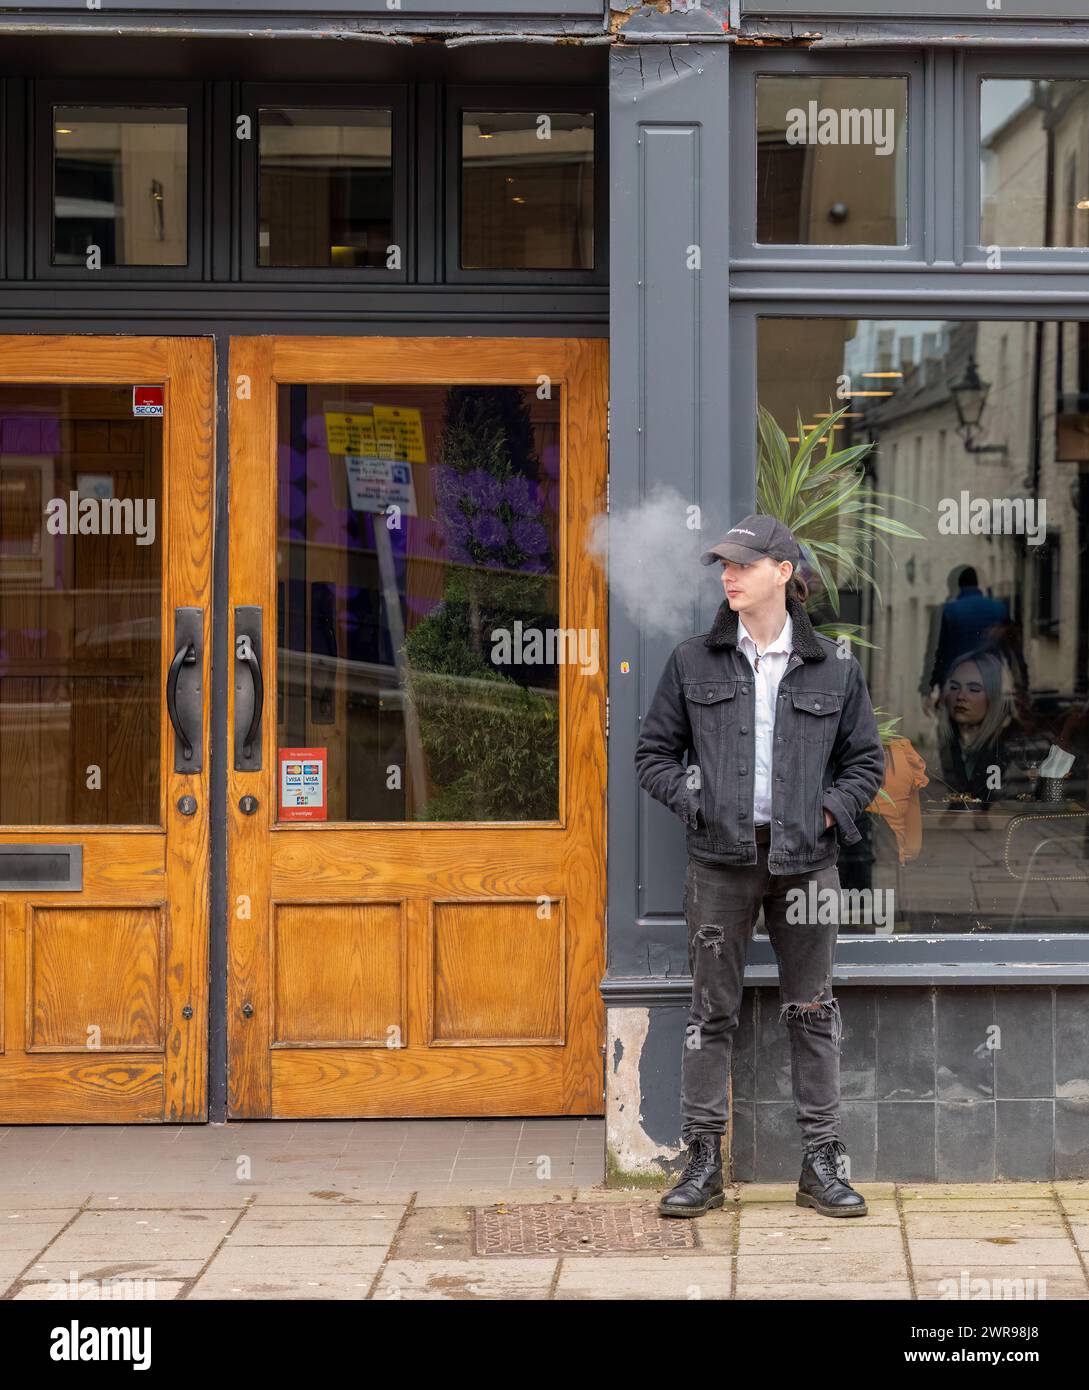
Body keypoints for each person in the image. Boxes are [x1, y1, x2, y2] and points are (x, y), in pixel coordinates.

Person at [634, 514, 885, 1219]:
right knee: (709, 1013)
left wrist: (828, 813)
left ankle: (821, 1165)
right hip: (720, 862)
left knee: (811, 1012)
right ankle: (703, 1163)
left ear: (784, 572)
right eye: (723, 564)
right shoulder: (693, 661)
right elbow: (653, 755)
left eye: (743, 564)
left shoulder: (833, 664)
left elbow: (866, 760)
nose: (728, 574)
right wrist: (698, 802)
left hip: (807, 863)